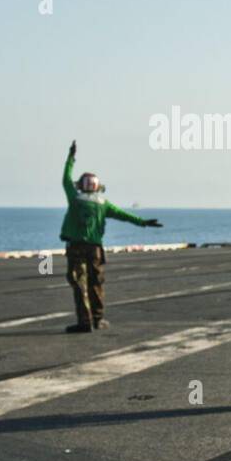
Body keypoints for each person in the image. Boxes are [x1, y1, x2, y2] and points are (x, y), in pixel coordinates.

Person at [58, 140, 162, 333]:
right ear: (97, 187)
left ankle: (84, 322)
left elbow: (65, 178)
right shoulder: (103, 203)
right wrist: (144, 222)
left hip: (76, 247)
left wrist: (71, 157)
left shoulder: (74, 197)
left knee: (79, 284)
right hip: (95, 250)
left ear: (81, 185)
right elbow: (125, 216)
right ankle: (97, 320)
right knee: (96, 283)